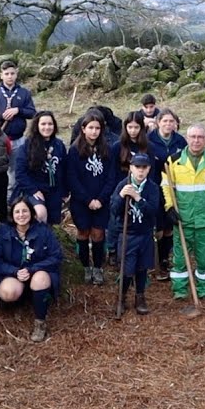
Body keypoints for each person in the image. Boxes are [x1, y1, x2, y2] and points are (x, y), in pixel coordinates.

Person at [161, 123, 205, 302]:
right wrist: (169, 208)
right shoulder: (173, 161)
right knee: (180, 258)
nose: (196, 141)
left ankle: (203, 290)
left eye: (200, 137)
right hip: (182, 219)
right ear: (187, 138)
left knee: (204, 258)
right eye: (193, 137)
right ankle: (180, 291)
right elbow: (166, 187)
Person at [0, 199, 63, 342]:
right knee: (8, 292)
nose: (21, 215)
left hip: (39, 272)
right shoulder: (4, 232)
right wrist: (14, 271)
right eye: (17, 211)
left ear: (31, 213)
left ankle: (40, 322)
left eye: (25, 211)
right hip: (15, 273)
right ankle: (24, 300)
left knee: (40, 279)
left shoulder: (43, 231)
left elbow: (56, 256)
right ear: (12, 215)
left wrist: (32, 269)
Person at [111, 111, 168, 275]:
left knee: (143, 220)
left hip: (143, 188)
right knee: (119, 222)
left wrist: (145, 189)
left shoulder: (148, 146)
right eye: (130, 127)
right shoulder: (117, 146)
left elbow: (152, 170)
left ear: (141, 128)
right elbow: (112, 172)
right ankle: (115, 253)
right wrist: (120, 191)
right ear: (125, 128)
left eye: (136, 127)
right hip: (123, 188)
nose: (133, 130)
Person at [66, 110, 115, 286]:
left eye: (98, 128)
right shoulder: (74, 151)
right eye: (91, 128)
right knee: (83, 232)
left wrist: (101, 199)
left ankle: (98, 268)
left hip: (101, 200)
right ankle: (85, 266)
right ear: (83, 128)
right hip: (81, 201)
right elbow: (72, 178)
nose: (94, 131)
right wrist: (87, 200)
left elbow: (111, 177)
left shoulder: (106, 150)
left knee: (98, 233)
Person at [110, 153, 163, 315]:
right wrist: (121, 197)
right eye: (137, 167)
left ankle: (140, 296)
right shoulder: (122, 185)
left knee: (142, 268)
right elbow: (114, 211)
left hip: (145, 234)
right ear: (131, 168)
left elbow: (153, 211)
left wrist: (138, 198)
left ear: (148, 169)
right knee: (127, 269)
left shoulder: (152, 188)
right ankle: (121, 297)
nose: (140, 171)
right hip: (128, 234)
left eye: (144, 167)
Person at [0, 60, 37, 199]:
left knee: (15, 170)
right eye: (6, 74)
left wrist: (18, 110)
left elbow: (32, 112)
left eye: (12, 73)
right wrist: (1, 116)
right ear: (1, 75)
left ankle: (12, 199)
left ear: (16, 74)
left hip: (18, 139)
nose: (10, 76)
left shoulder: (24, 93)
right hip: (0, 139)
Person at [14, 111, 69, 225]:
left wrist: (64, 191)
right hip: (33, 188)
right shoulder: (26, 147)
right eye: (43, 124)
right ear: (37, 126)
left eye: (50, 124)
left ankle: (46, 241)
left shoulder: (59, 145)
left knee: (53, 221)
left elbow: (64, 170)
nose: (47, 127)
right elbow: (20, 173)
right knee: (40, 214)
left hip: (54, 190)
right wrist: (34, 190)